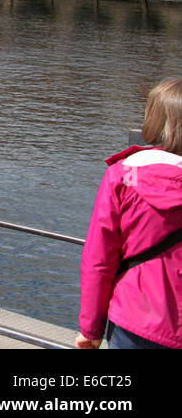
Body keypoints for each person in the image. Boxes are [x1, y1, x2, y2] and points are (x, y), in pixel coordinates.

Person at [78, 78, 182, 350]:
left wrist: (91, 330)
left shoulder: (124, 176)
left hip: (136, 321)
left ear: (154, 120)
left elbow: (98, 261)